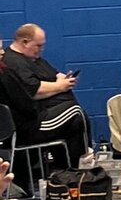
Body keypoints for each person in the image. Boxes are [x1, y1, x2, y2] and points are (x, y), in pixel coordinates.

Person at [1, 24, 92, 175]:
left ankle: (68, 170)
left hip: (36, 117)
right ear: (24, 42)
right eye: (38, 45)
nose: (2, 52)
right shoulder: (11, 65)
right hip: (30, 124)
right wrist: (60, 87)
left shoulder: (33, 60)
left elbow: (52, 77)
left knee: (74, 120)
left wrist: (61, 80)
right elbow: (31, 92)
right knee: (76, 112)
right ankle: (81, 166)